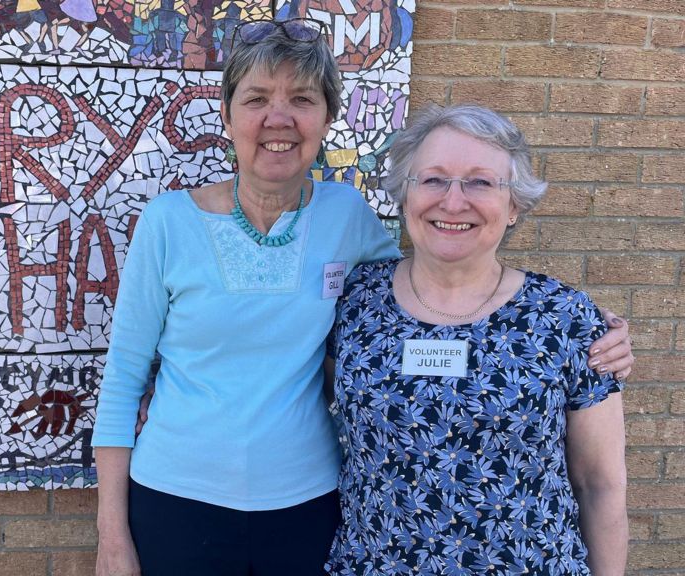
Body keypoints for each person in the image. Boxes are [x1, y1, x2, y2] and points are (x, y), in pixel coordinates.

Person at [92, 20, 633, 575]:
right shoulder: (167, 223)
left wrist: (590, 327)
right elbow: (121, 382)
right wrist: (112, 539)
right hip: (175, 498)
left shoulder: (345, 216)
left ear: (326, 119)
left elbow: (426, 278)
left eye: (302, 99)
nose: (278, 119)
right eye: (256, 99)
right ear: (227, 116)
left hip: (306, 506)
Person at [327, 104, 629, 575]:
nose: (452, 201)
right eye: (433, 180)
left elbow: (600, 483)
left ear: (514, 207)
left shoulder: (566, 318)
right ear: (404, 196)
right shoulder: (355, 302)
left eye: (480, 182)